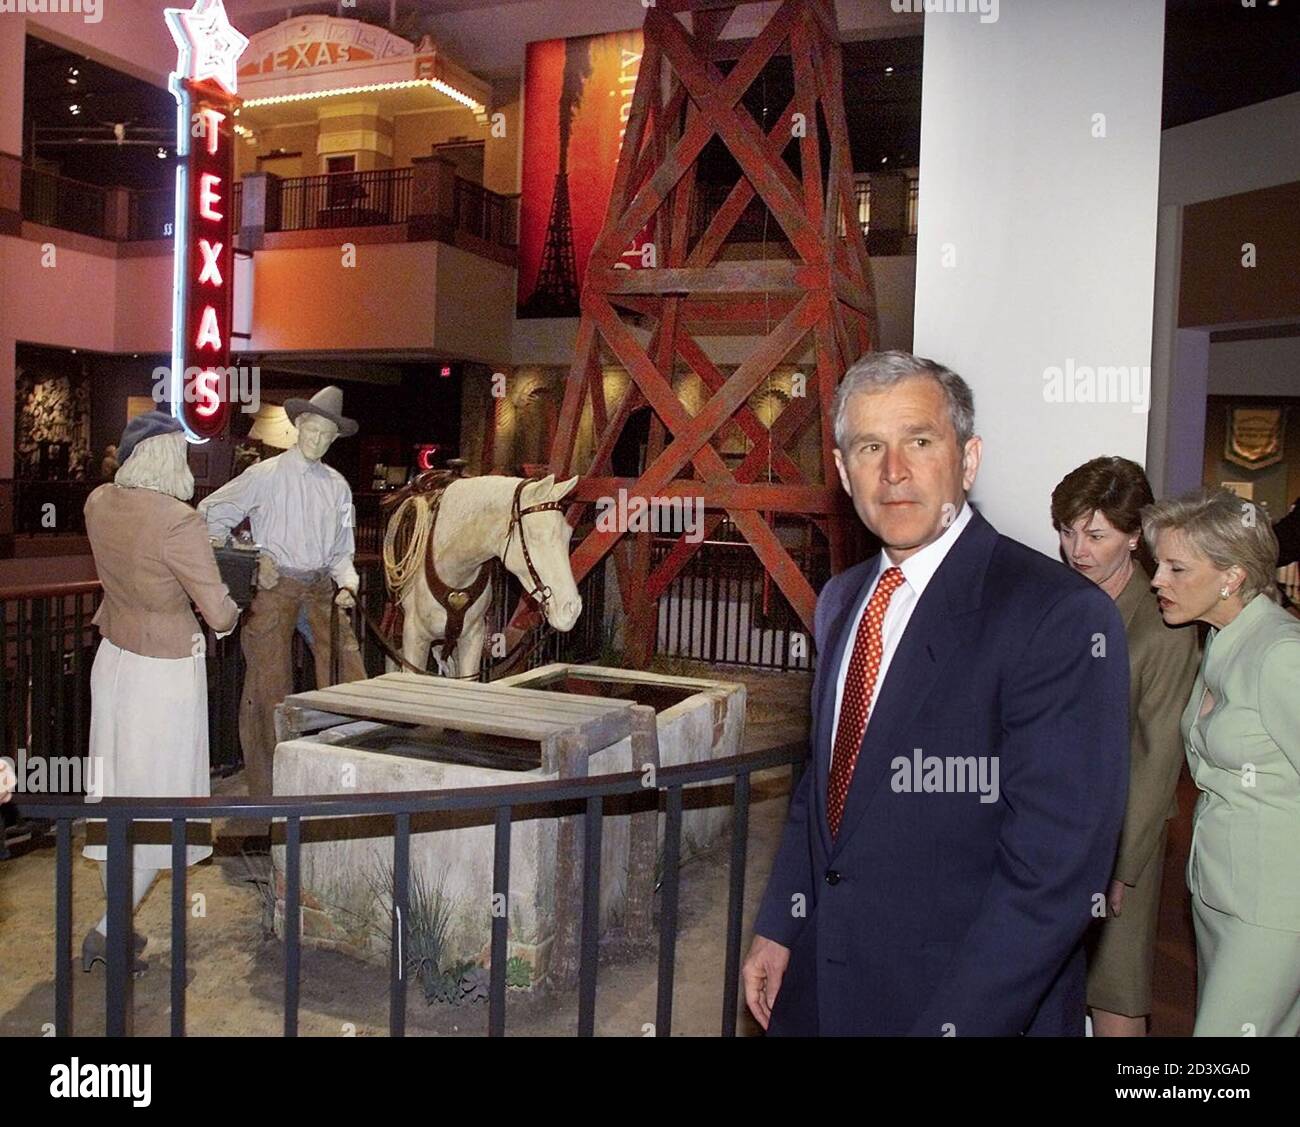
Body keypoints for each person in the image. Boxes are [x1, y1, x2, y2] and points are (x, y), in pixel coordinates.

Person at [741, 351, 1129, 1036]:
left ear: (968, 460)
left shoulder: (1056, 615)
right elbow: (825, 788)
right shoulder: (839, 601)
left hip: (958, 1006)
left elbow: (1053, 874)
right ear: (842, 472)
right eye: (870, 446)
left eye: (920, 440)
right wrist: (781, 923)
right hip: (820, 991)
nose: (894, 471)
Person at [82, 411, 240, 973]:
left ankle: (117, 928)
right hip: (165, 672)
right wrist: (233, 607)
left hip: (114, 659)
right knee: (163, 800)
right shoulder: (179, 520)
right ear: (171, 458)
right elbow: (217, 610)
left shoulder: (98, 503)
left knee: (116, 796)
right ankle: (107, 931)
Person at [1052, 457, 1199, 1037]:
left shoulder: (1163, 626)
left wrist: (1125, 868)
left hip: (1121, 840)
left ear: (1135, 536)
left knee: (1115, 991)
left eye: (1095, 535)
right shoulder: (1059, 599)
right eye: (1067, 532)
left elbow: (1158, 754)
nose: (1077, 550)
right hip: (1050, 826)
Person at [1144, 489, 1300, 1036]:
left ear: (1232, 575)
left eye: (1176, 567)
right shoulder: (1222, 640)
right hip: (1218, 894)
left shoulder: (1281, 652)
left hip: (1276, 908)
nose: (1157, 579)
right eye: (1157, 563)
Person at [198, 386, 366, 839]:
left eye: (327, 433)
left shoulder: (338, 487)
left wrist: (348, 582)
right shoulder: (265, 475)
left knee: (349, 675)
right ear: (298, 428)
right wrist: (252, 558)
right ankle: (269, 797)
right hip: (274, 589)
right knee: (268, 689)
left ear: (334, 438)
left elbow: (341, 552)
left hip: (318, 588)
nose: (319, 439)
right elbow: (210, 513)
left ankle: (343, 783)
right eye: (312, 429)